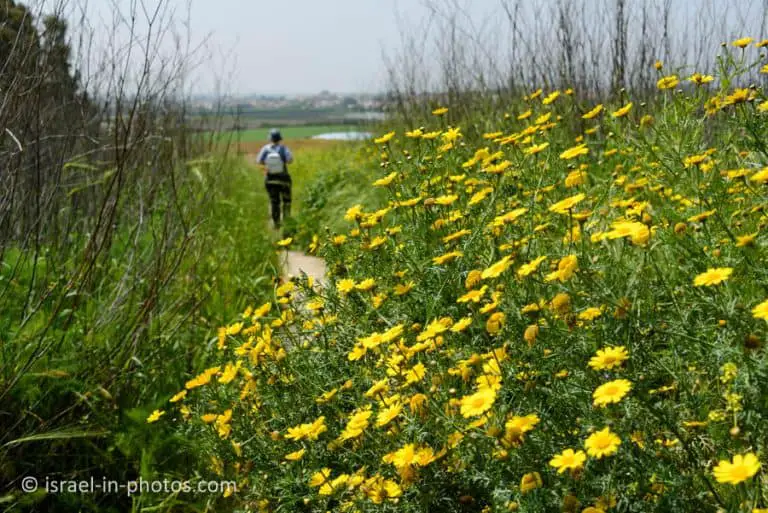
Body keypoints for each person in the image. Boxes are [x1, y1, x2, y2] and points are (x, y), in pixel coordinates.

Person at [257, 128, 294, 229]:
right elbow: (290, 160)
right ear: (279, 138)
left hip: (270, 180)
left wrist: (268, 165)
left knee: (274, 201)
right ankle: (287, 221)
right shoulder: (284, 148)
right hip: (283, 179)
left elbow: (259, 161)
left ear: (270, 138)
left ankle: (276, 223)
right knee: (286, 201)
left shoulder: (265, 149)